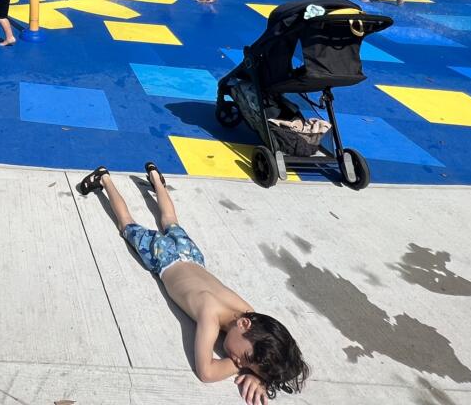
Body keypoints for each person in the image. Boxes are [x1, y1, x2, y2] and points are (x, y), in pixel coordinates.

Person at [77, 163, 308, 404]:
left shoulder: (249, 313)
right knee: (127, 224)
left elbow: (270, 351)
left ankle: (156, 178)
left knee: (170, 220)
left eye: (244, 364)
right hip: (162, 259)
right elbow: (206, 373)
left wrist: (261, 374)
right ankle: (104, 180)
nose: (239, 362)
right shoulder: (209, 315)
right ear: (243, 324)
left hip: (192, 256)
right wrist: (242, 368)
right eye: (245, 358)